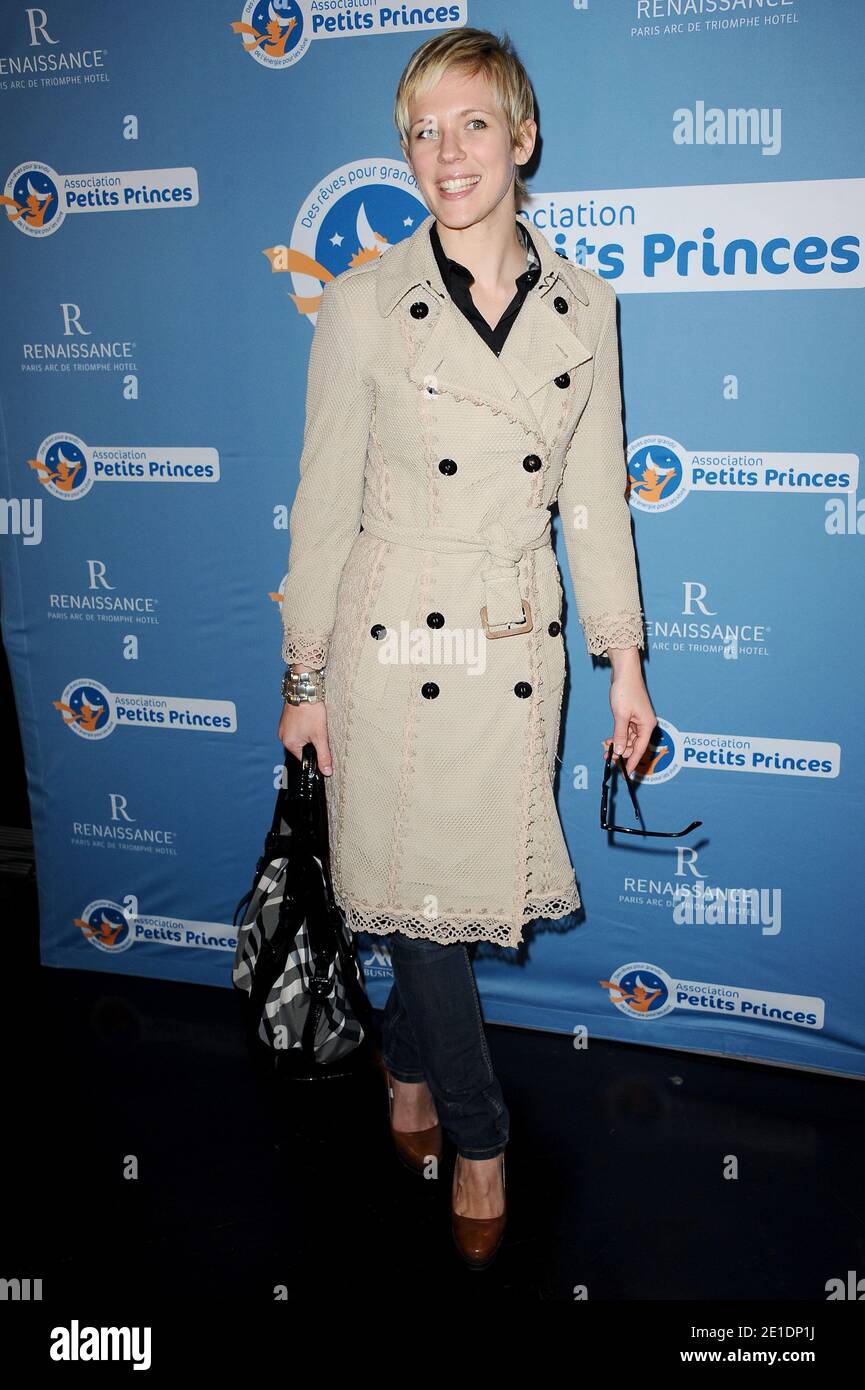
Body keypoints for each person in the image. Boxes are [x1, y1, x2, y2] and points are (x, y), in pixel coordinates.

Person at [277, 26, 656, 1268]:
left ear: (521, 137)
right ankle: (479, 1135)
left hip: (509, 646)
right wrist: (303, 672)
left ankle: (403, 1065)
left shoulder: (583, 305)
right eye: (424, 131)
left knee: (433, 896)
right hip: (388, 639)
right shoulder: (362, 301)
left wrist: (625, 663)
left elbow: (592, 500)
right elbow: (324, 499)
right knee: (422, 910)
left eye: (473, 124)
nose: (448, 152)